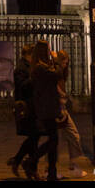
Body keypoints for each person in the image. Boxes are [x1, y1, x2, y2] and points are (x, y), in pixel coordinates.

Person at [53, 48, 92, 178]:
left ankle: (71, 165)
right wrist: (62, 94)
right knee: (59, 139)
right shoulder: (55, 71)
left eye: (67, 63)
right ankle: (53, 168)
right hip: (57, 109)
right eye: (64, 63)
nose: (66, 66)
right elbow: (54, 85)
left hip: (61, 108)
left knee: (70, 136)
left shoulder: (61, 73)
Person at [29, 40, 62, 180]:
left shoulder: (40, 67)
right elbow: (57, 75)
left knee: (53, 140)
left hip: (47, 105)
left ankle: (52, 172)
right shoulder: (40, 68)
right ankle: (32, 160)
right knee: (53, 139)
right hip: (46, 107)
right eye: (48, 49)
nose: (50, 51)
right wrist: (56, 60)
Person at [8, 44, 40, 179]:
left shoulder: (28, 67)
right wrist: (34, 77)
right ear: (30, 55)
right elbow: (22, 86)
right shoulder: (21, 68)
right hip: (26, 107)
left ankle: (20, 161)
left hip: (33, 107)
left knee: (35, 137)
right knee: (34, 136)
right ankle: (29, 166)